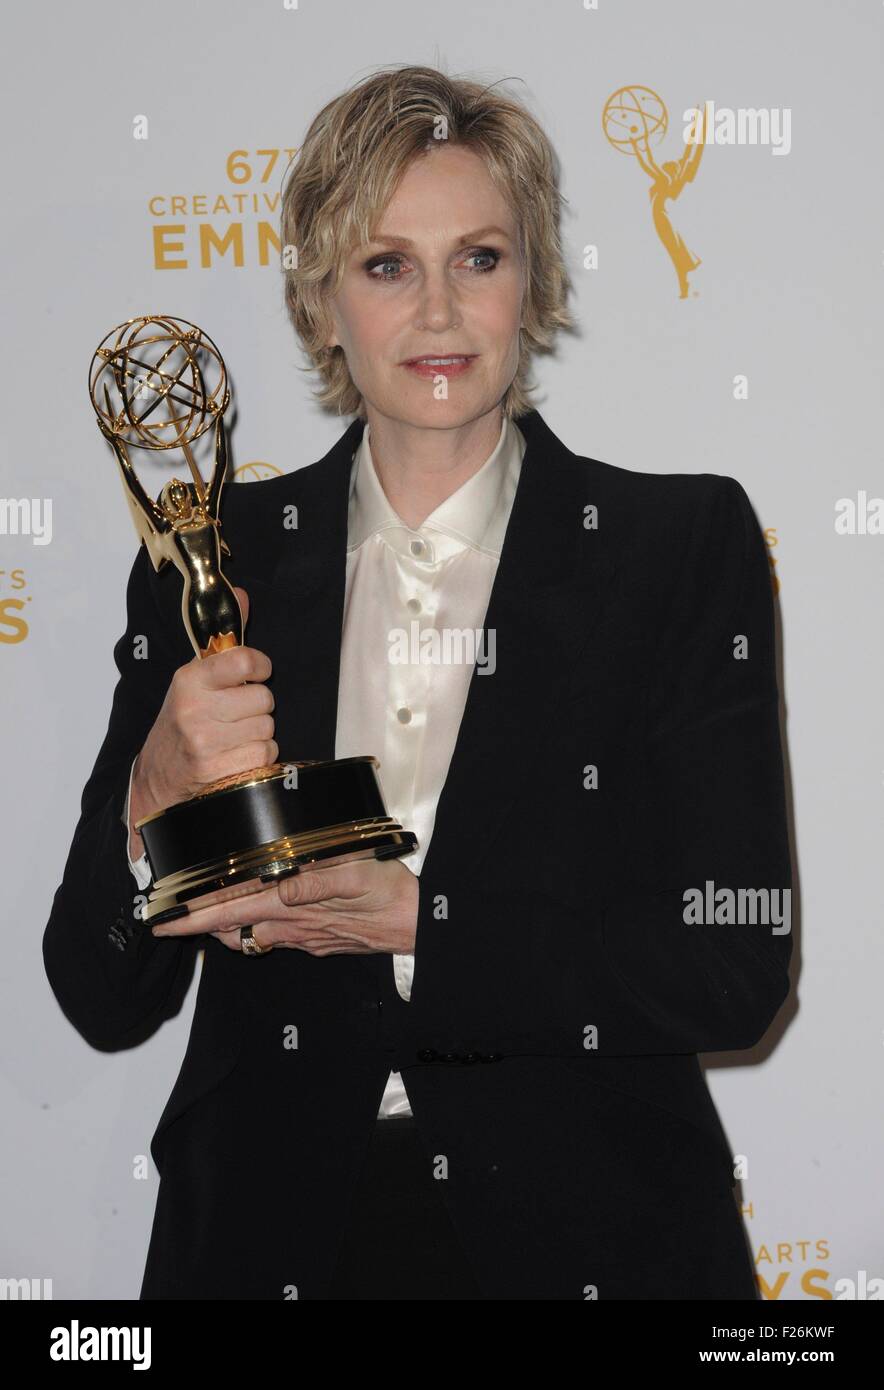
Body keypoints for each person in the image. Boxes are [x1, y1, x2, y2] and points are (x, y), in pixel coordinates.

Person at [43, 64, 792, 1300]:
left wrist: (422, 921)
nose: (437, 309)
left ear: (534, 281)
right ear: (317, 302)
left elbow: (732, 960)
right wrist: (148, 801)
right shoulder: (212, 564)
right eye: (385, 264)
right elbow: (100, 989)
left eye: (479, 258)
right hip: (268, 1238)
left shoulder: (675, 549)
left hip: (597, 1235)